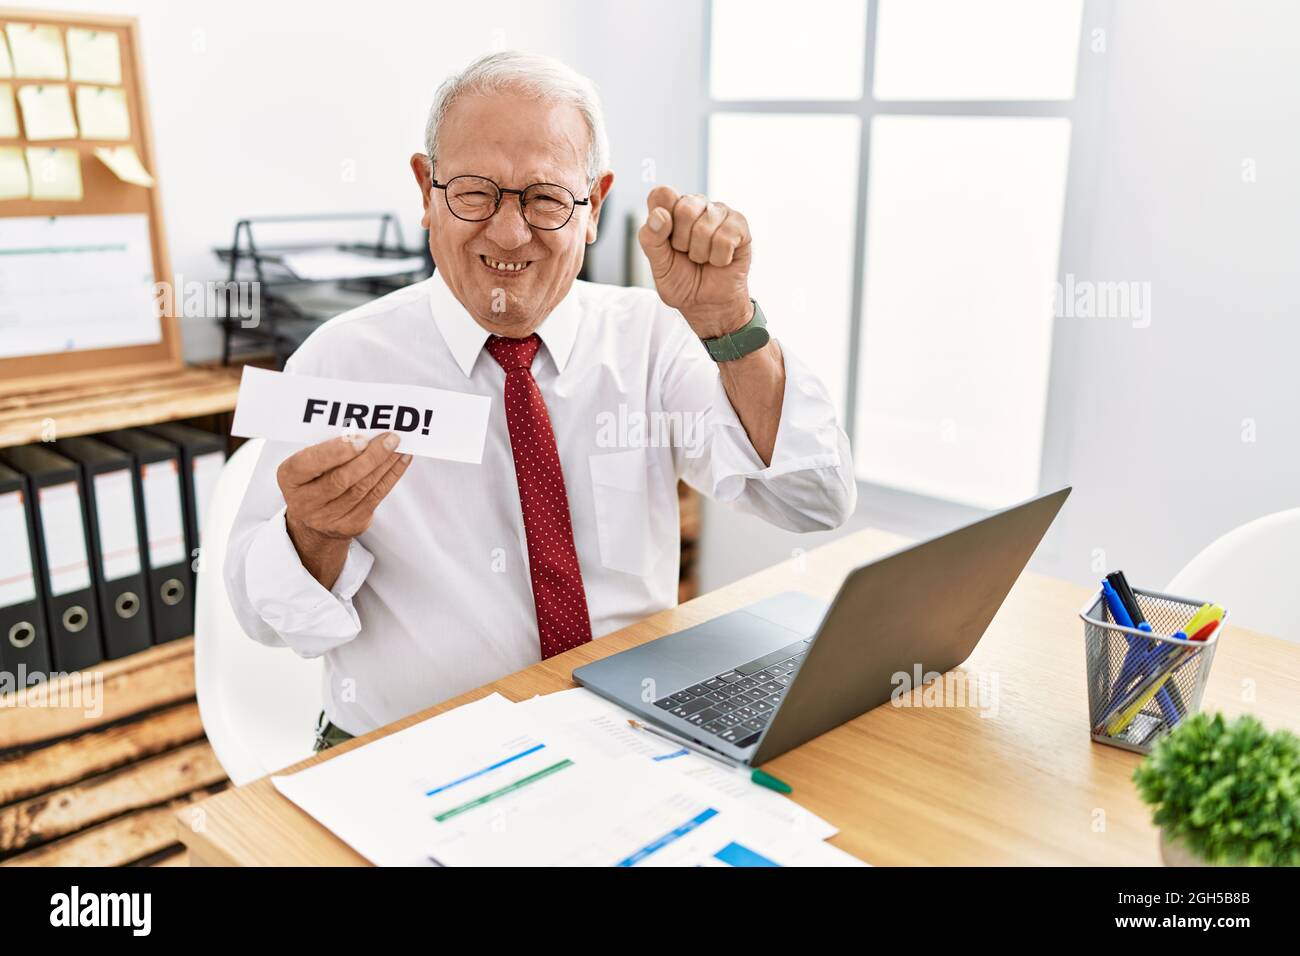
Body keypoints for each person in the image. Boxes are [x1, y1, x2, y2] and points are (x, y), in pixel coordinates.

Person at [224, 51, 856, 749]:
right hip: (410, 753)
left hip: (625, 735)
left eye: (545, 198)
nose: (507, 231)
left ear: (594, 207)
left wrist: (730, 326)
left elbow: (814, 499)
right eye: (473, 192)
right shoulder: (339, 362)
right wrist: (315, 534)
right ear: (425, 190)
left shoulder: (651, 338)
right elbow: (262, 618)